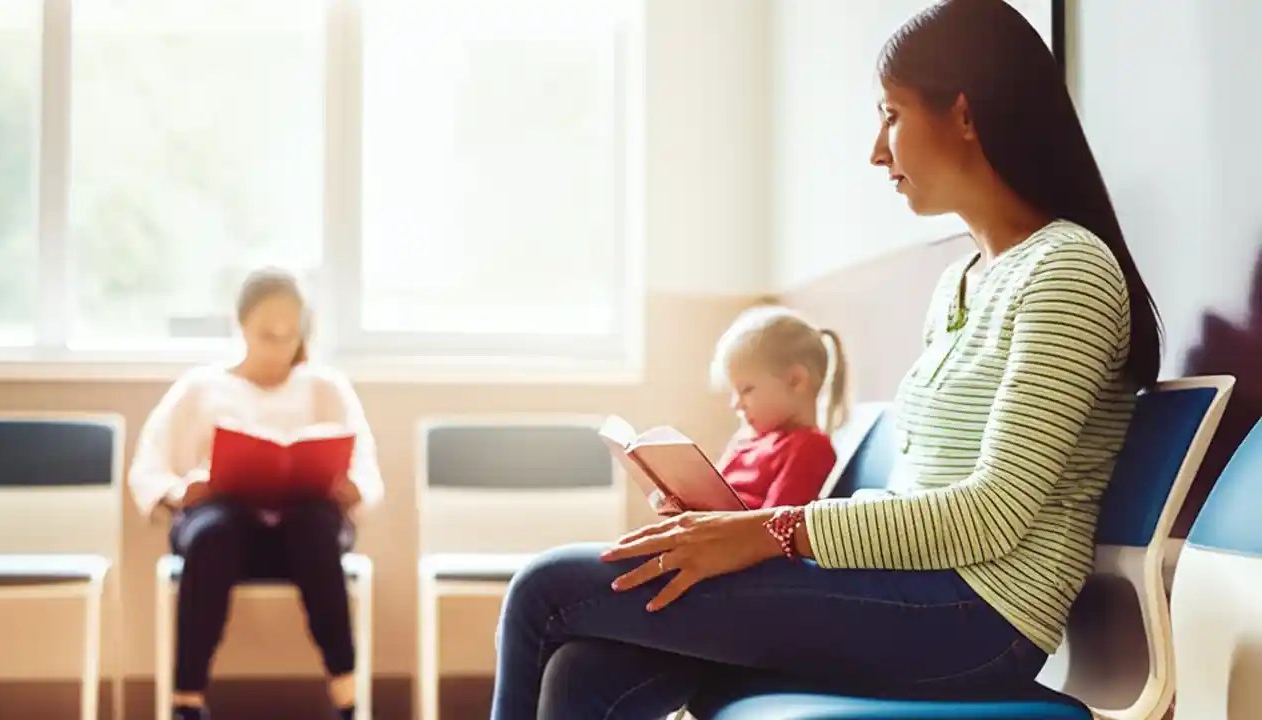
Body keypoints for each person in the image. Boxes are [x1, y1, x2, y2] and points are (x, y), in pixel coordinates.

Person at [489, 1, 1164, 717]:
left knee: (546, 589)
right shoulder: (961, 281)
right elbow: (919, 501)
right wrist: (738, 523)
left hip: (975, 619)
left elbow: (992, 516)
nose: (878, 150)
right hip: (911, 587)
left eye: (892, 115)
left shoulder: (1069, 270)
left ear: (964, 115)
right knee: (590, 671)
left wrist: (767, 533)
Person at [128, 268, 384, 720]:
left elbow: (366, 470)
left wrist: (351, 488)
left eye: (290, 335)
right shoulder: (199, 388)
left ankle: (347, 698)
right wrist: (179, 491)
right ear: (241, 325)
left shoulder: (327, 388)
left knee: (314, 526)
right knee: (213, 532)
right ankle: (187, 701)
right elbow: (148, 467)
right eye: (268, 334)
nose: (279, 345)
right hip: (223, 535)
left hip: (303, 538)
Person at [651, 305, 846, 514]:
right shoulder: (744, 441)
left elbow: (771, 529)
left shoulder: (809, 448)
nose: (736, 404)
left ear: (795, 381)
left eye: (746, 390)